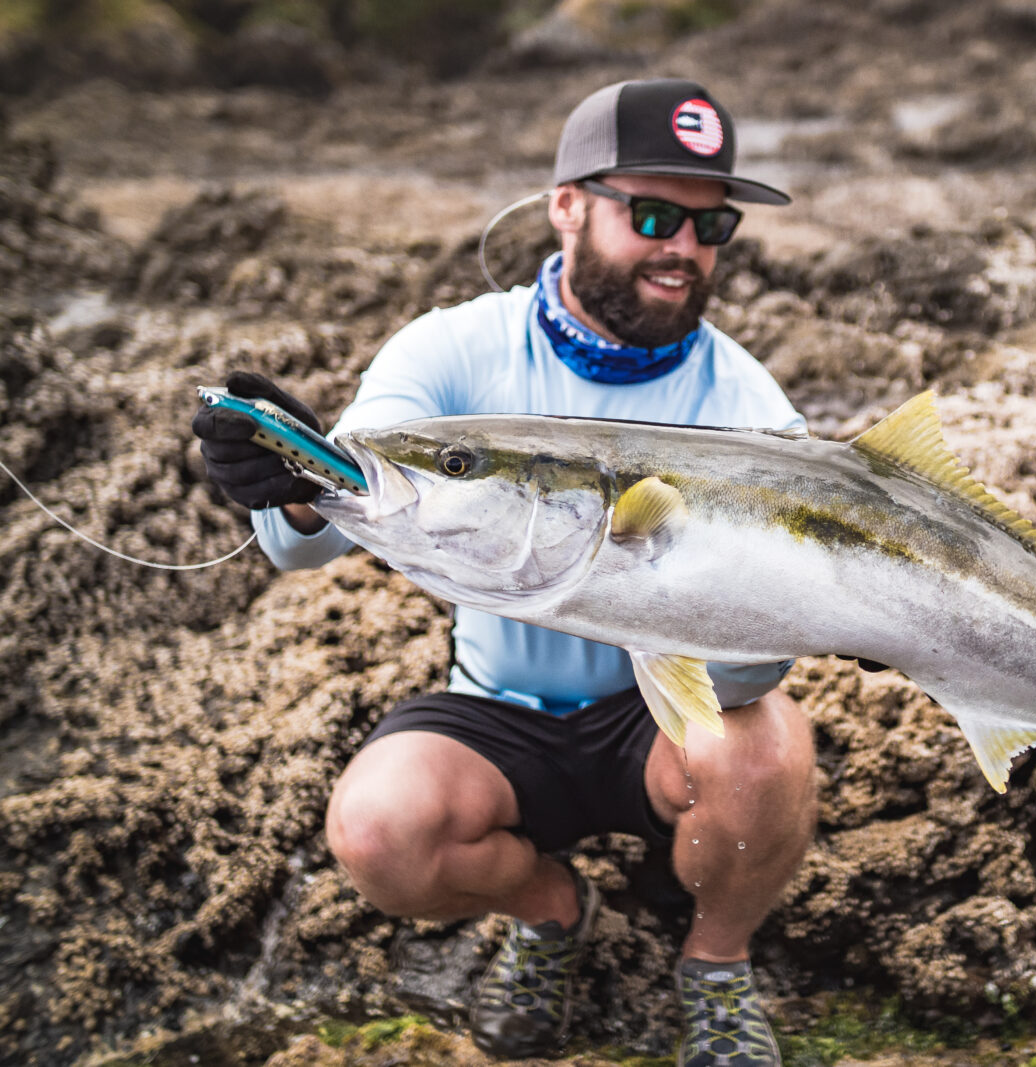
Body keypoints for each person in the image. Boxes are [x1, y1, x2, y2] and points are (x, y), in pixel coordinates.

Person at [193, 78, 817, 1066]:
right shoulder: (452, 348)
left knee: (768, 752)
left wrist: (793, 631)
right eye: (653, 216)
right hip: (498, 711)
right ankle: (553, 911)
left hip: (658, 711)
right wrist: (295, 489)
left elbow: (760, 656)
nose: (684, 249)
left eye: (712, 226)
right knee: (379, 832)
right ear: (566, 204)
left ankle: (715, 959)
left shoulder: (749, 404)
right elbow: (322, 525)